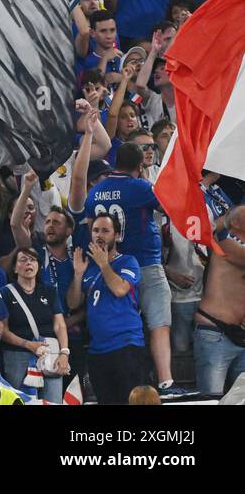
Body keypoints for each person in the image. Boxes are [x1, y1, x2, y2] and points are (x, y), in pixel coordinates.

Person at [71, 141, 181, 396]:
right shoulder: (141, 186)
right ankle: (165, 381)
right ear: (140, 164)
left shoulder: (96, 191)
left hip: (109, 263)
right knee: (158, 323)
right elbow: (169, 208)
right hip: (143, 261)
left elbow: (89, 223)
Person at [67, 213, 145, 405]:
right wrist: (78, 275)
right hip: (97, 351)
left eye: (105, 230)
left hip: (126, 346)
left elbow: (120, 289)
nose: (99, 235)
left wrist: (103, 263)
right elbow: (73, 303)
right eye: (95, 230)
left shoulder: (128, 262)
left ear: (117, 235)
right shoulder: (89, 268)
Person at [0, 247, 69, 404]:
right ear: (15, 268)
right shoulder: (6, 293)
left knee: (53, 402)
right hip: (17, 356)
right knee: (21, 402)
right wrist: (28, 344)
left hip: (50, 354)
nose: (28, 263)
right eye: (23, 260)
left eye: (32, 260)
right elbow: (2, 330)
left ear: (38, 266)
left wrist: (64, 353)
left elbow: (59, 325)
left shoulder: (49, 291)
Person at [193, 206, 245, 397]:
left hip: (240, 336)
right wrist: (223, 219)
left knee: (241, 399)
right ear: (235, 223)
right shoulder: (225, 245)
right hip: (215, 333)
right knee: (211, 399)